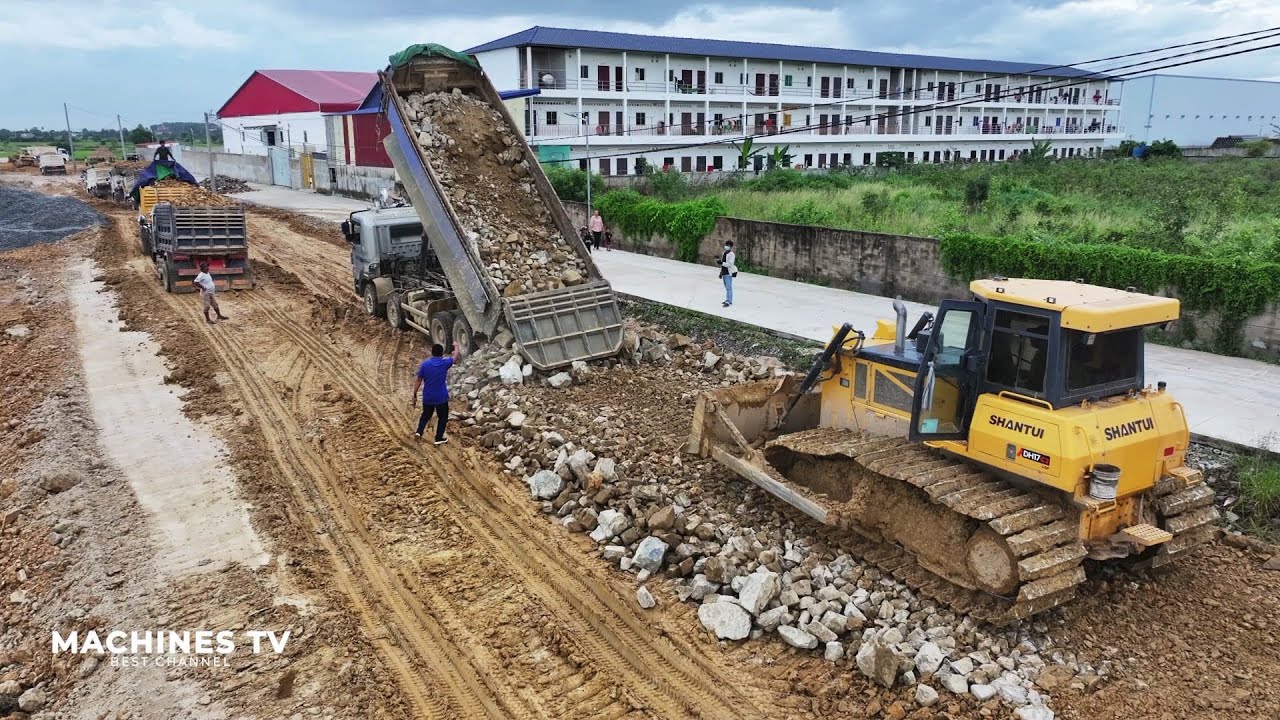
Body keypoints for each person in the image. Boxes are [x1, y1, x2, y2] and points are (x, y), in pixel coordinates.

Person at [413, 341, 461, 444]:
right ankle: (438, 438)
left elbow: (418, 380)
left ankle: (419, 432)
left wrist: (414, 394)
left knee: (425, 415)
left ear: (432, 352)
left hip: (428, 396)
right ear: (442, 353)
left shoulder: (425, 364)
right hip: (441, 397)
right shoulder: (444, 363)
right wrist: (456, 346)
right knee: (443, 417)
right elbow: (455, 357)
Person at [718, 240, 738, 308]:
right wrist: (721, 272)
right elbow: (723, 264)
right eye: (726, 245)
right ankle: (728, 299)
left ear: (731, 247)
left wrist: (722, 263)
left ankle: (728, 301)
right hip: (724, 272)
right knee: (727, 287)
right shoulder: (724, 253)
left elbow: (730, 264)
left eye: (728, 245)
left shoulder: (732, 254)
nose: (726, 246)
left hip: (728, 273)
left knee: (729, 287)